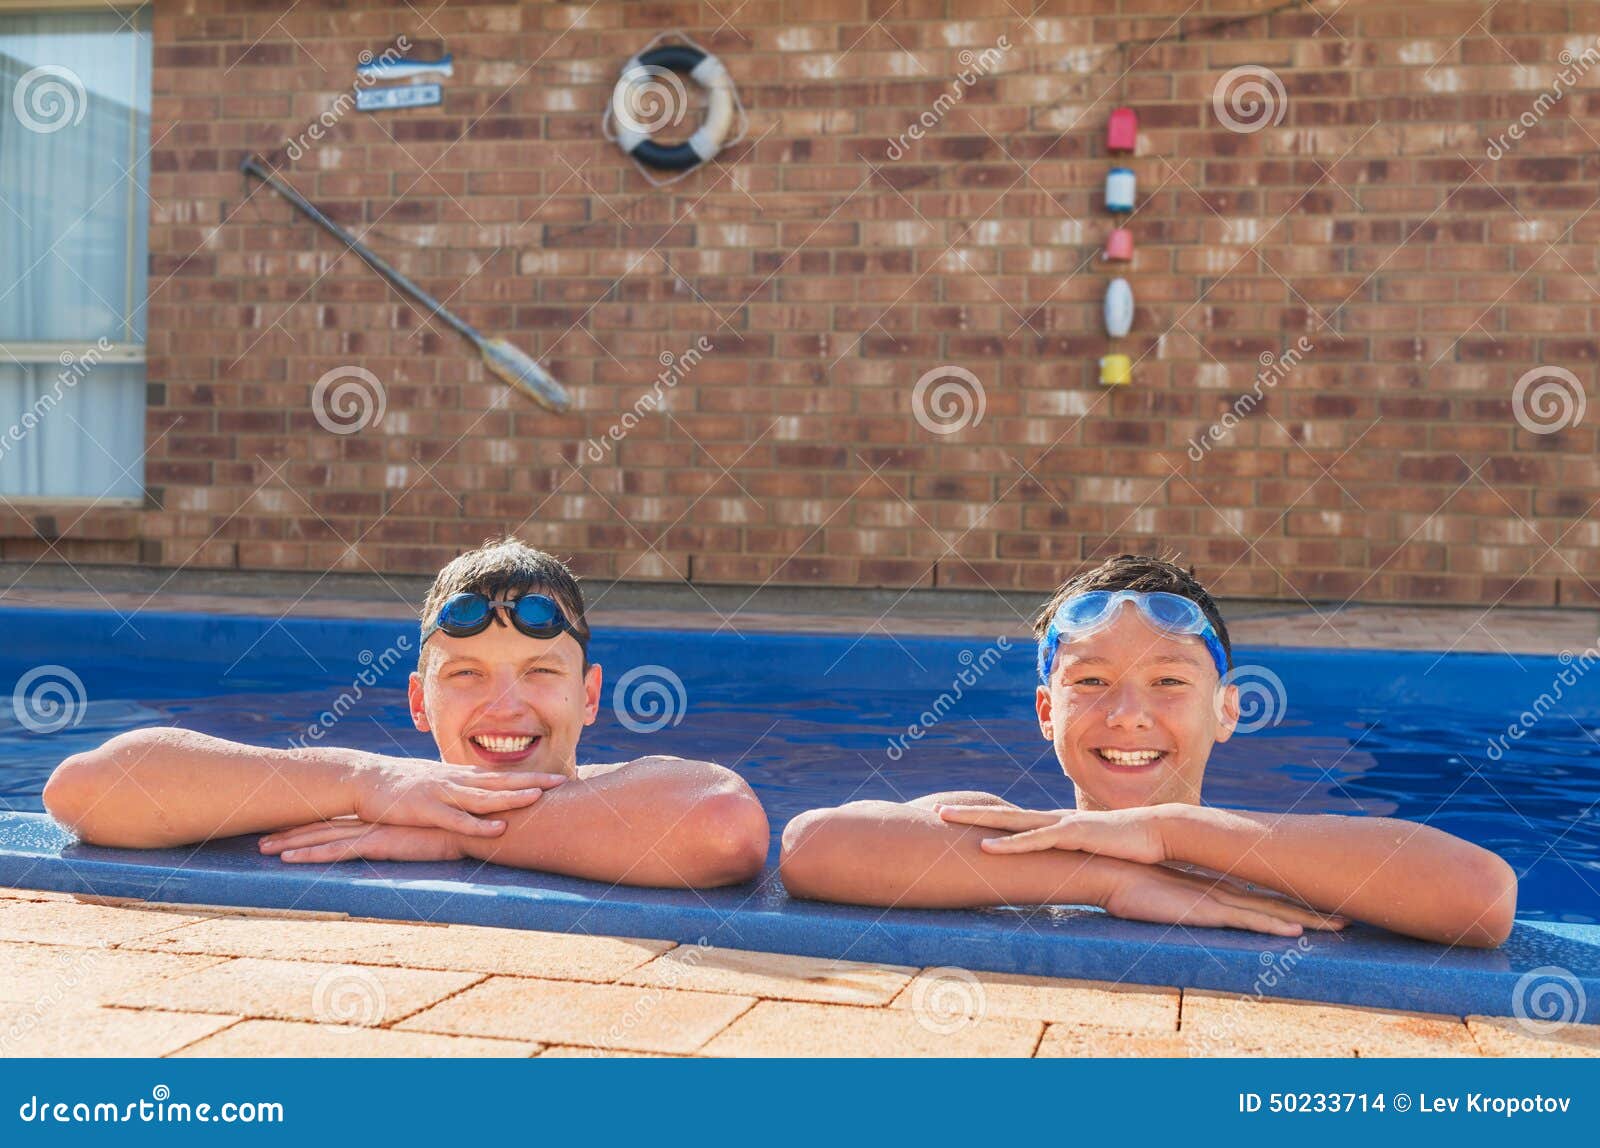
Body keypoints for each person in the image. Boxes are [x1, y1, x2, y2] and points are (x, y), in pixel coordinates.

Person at [780, 555, 1518, 946]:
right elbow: (812, 848)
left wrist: (1166, 836)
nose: (1127, 715)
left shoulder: (1276, 862)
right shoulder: (1001, 832)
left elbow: (1481, 896)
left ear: (1227, 710)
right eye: (1092, 681)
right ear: (1046, 711)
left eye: (1168, 680)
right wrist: (1104, 879)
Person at [44, 539, 768, 889]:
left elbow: (723, 827)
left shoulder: (633, 793)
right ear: (418, 702)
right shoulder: (365, 797)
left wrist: (455, 834)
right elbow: (82, 793)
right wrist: (367, 780)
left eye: (541, 672)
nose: (504, 705)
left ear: (589, 695)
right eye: (466, 674)